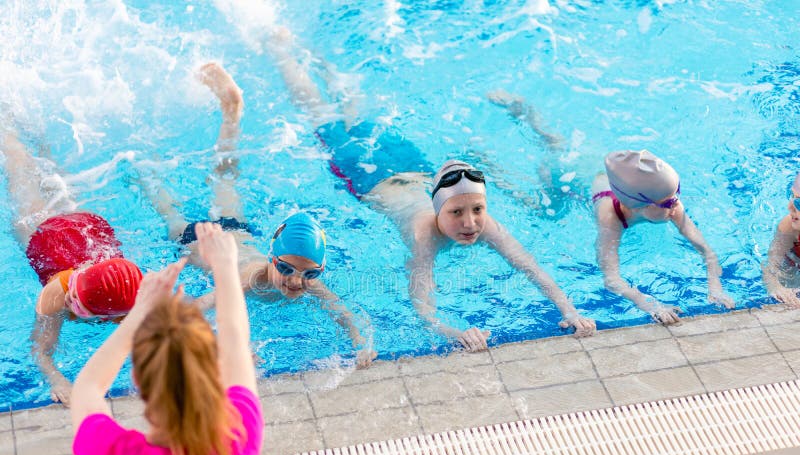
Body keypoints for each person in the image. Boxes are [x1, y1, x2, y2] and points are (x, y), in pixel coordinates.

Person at [265, 27, 596, 351]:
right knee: (318, 111)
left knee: (357, 109)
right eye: (456, 213)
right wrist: (451, 330)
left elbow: (530, 266)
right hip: (364, 175)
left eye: (477, 210)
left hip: (411, 163)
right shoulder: (424, 234)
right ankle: (282, 51)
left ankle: (320, 59)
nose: (470, 223)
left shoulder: (484, 224)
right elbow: (422, 301)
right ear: (438, 209)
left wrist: (570, 311)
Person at [139, 63, 376, 368]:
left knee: (226, 175)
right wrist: (236, 346)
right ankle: (142, 167)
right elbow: (204, 307)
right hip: (195, 237)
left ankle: (231, 113)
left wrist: (359, 343)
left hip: (235, 228)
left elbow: (342, 312)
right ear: (271, 258)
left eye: (311, 274)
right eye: (287, 269)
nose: (297, 281)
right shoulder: (250, 278)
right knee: (166, 207)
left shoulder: (305, 275)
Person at [71, 223, 262, 455]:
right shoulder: (238, 439)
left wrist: (139, 311)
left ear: (136, 378)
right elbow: (235, 340)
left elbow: (88, 388)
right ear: (213, 372)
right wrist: (226, 266)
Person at [0, 126, 143, 405]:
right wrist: (57, 378)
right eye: (73, 294)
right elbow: (40, 349)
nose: (68, 298)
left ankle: (39, 137)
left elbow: (179, 321)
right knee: (21, 175)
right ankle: (7, 135)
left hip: (86, 227)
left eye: (76, 302)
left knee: (56, 179)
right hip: (46, 236)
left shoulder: (132, 297)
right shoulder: (56, 292)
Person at [592, 149, 735, 324]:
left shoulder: (669, 203)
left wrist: (715, 287)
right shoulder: (609, 217)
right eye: (669, 202)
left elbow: (707, 252)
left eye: (677, 193)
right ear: (639, 207)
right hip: (583, 180)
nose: (676, 203)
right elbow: (611, 279)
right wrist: (651, 305)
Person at [762, 172, 800, 308]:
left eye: (799, 203)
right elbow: (771, 266)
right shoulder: (789, 226)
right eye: (792, 198)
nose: (790, 207)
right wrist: (776, 286)